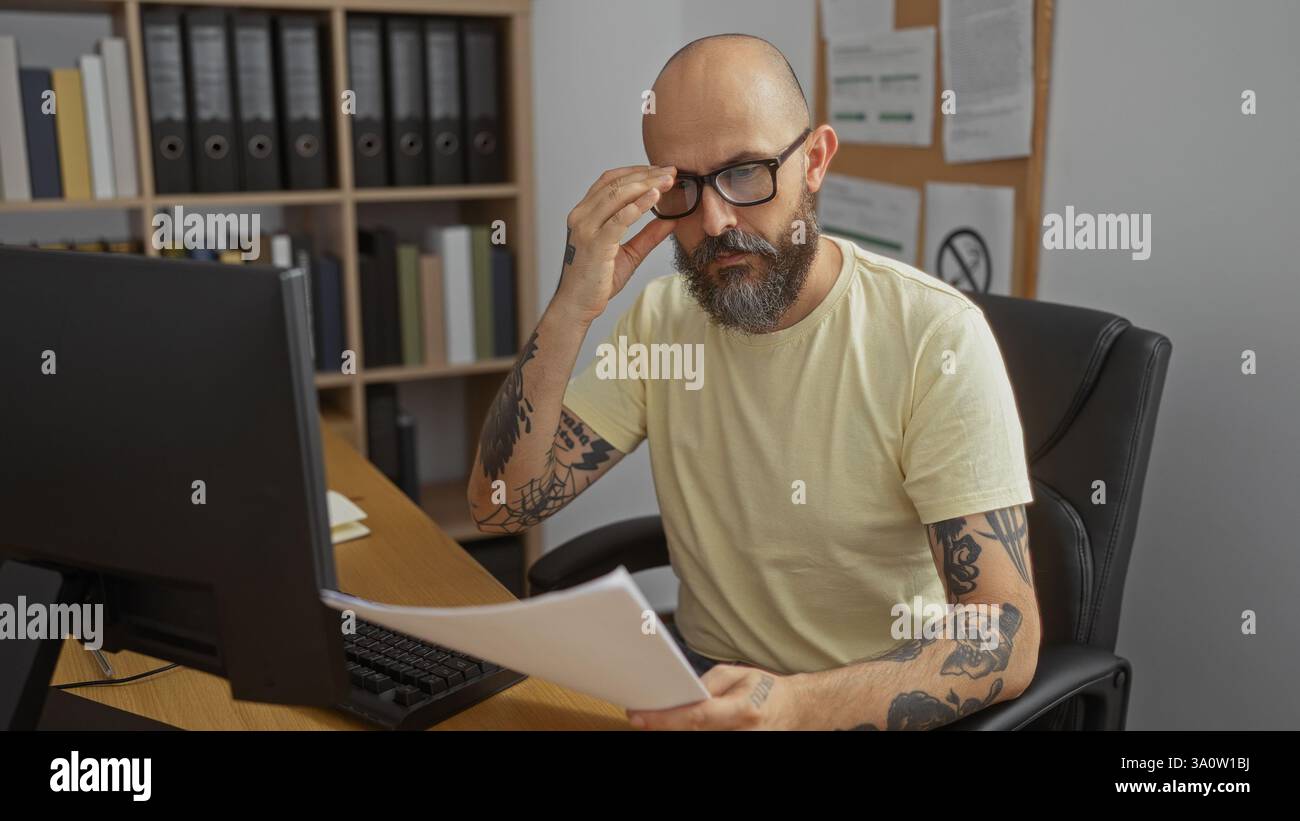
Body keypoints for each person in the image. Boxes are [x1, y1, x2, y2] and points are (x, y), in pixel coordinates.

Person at [467, 33, 1039, 730]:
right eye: (682, 187)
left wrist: (795, 706)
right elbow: (499, 508)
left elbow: (1005, 638)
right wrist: (570, 311)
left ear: (815, 161)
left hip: (862, 704)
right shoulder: (663, 319)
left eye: (745, 173)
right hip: (698, 688)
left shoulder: (934, 336)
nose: (714, 221)